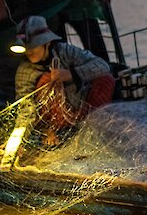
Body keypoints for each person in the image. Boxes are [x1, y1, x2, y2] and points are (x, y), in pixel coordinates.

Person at [12, 15, 116, 147]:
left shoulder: (65, 51)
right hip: (53, 120)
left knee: (106, 79)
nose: (29, 52)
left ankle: (91, 125)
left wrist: (71, 74)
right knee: (47, 80)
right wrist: (19, 140)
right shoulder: (24, 71)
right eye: (26, 48)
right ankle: (51, 132)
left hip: (79, 107)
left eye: (34, 47)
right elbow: (25, 107)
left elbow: (102, 66)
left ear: (47, 43)